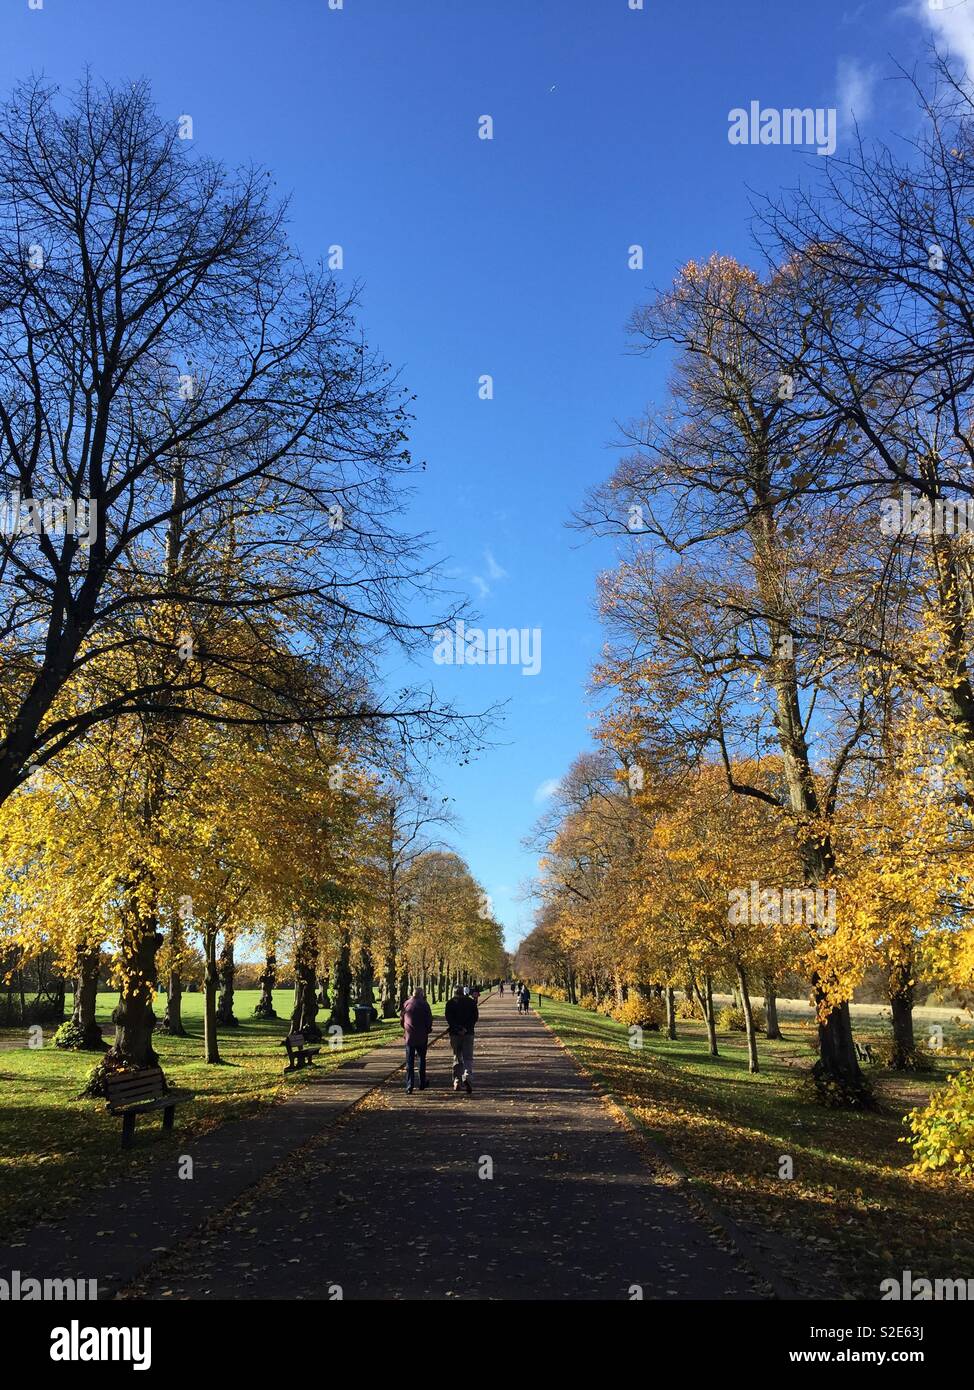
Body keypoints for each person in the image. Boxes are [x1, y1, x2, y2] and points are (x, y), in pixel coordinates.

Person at [445, 984, 479, 1094]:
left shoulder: (450, 1003)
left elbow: (449, 1019)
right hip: (468, 1033)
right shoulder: (471, 1003)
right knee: (468, 1057)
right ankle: (467, 1077)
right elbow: (475, 1018)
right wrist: (465, 1028)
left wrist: (458, 1028)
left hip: (455, 1034)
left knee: (457, 1056)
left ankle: (457, 1080)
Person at [400, 987, 433, 1095]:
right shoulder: (425, 1005)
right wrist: (428, 1029)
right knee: (422, 1059)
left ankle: (409, 1085)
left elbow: (402, 1019)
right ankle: (422, 1082)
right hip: (422, 1036)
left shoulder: (406, 1003)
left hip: (410, 1036)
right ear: (421, 994)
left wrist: (405, 1029)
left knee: (409, 1061)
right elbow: (429, 1019)